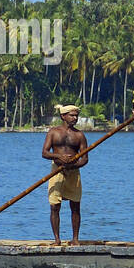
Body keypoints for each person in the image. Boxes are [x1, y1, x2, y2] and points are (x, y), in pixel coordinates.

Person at [42, 104, 88, 244]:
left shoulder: (79, 135)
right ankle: (57, 239)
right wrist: (59, 158)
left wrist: (73, 165)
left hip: (74, 172)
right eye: (72, 115)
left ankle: (75, 239)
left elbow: (85, 158)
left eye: (76, 115)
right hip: (56, 171)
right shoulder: (53, 132)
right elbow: (45, 153)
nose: (75, 118)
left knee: (75, 205)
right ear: (63, 116)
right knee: (55, 205)